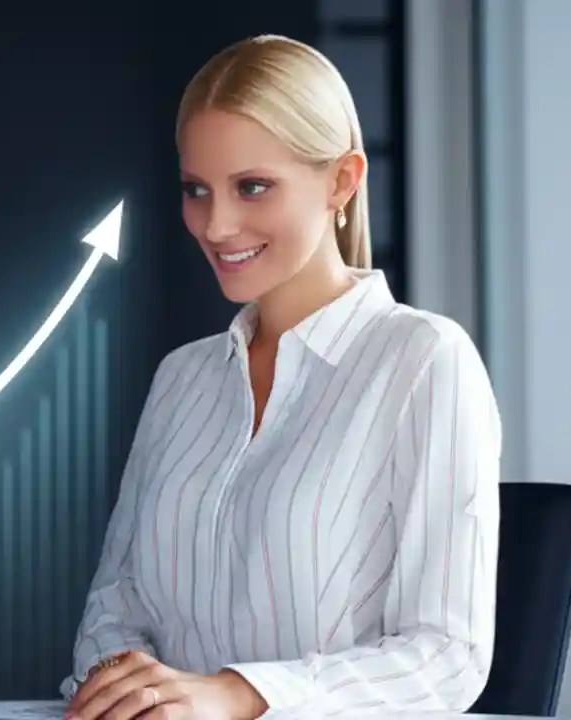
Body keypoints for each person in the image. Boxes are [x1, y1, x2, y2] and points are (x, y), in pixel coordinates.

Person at [60, 34, 502, 720]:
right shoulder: (183, 379)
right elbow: (115, 609)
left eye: (253, 187)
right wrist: (128, 688)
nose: (216, 224)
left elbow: (447, 656)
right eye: (196, 190)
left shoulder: (422, 360)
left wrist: (240, 695)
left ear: (341, 181)